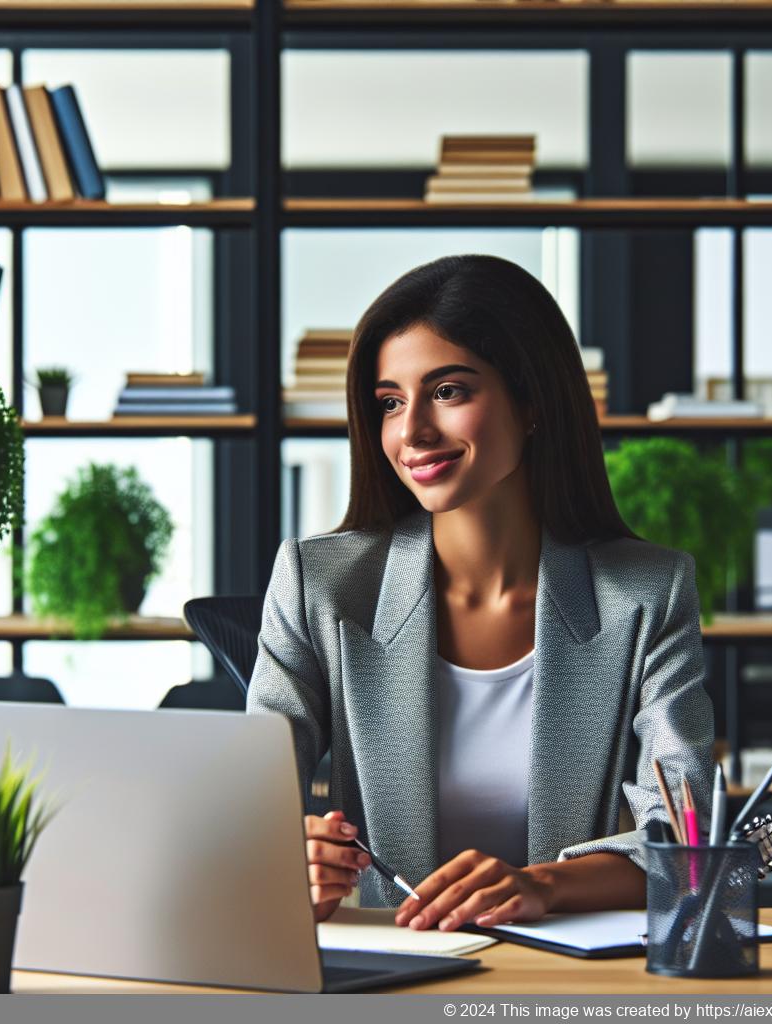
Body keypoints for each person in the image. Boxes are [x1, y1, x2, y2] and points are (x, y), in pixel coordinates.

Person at [247, 254, 714, 933]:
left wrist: (542, 886)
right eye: (390, 402)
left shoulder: (646, 592)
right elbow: (242, 813)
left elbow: (686, 841)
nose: (411, 434)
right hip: (387, 976)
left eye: (448, 392)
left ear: (531, 402)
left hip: (558, 985)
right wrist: (287, 859)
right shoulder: (320, 584)